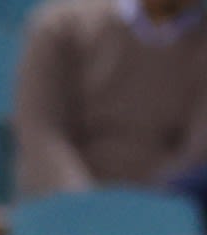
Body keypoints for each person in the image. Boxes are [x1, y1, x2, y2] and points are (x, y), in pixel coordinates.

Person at [12, 0, 207, 199]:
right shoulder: (61, 27)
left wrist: (150, 208)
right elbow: (40, 131)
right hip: (63, 204)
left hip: (168, 207)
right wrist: (84, 204)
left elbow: (195, 154)